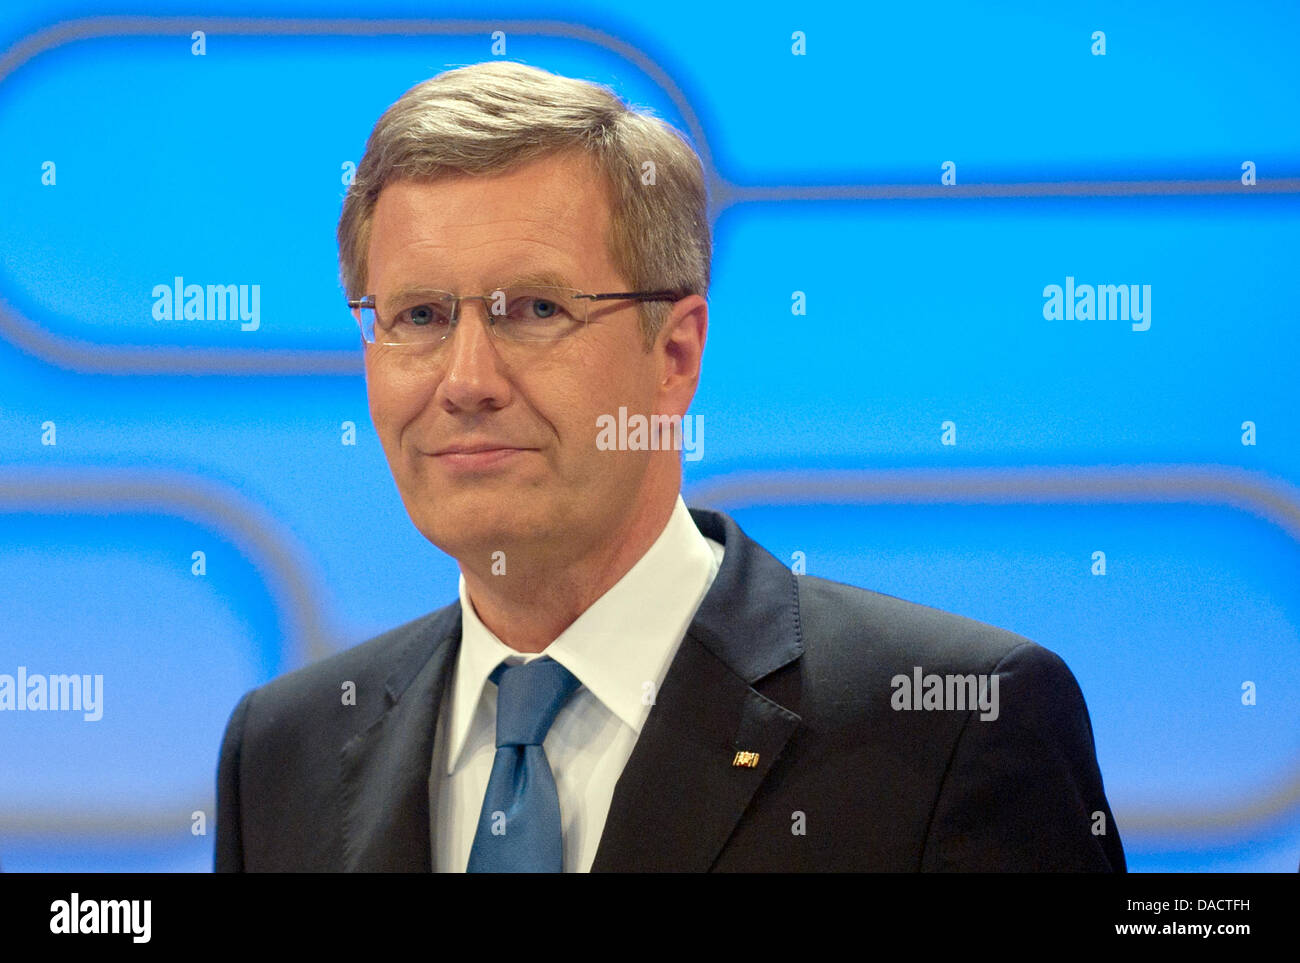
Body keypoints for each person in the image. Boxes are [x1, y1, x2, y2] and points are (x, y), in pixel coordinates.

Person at [215, 60, 1125, 872]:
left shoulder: (955, 726)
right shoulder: (281, 751)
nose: (466, 380)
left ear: (676, 353)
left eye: (533, 308)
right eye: (418, 316)